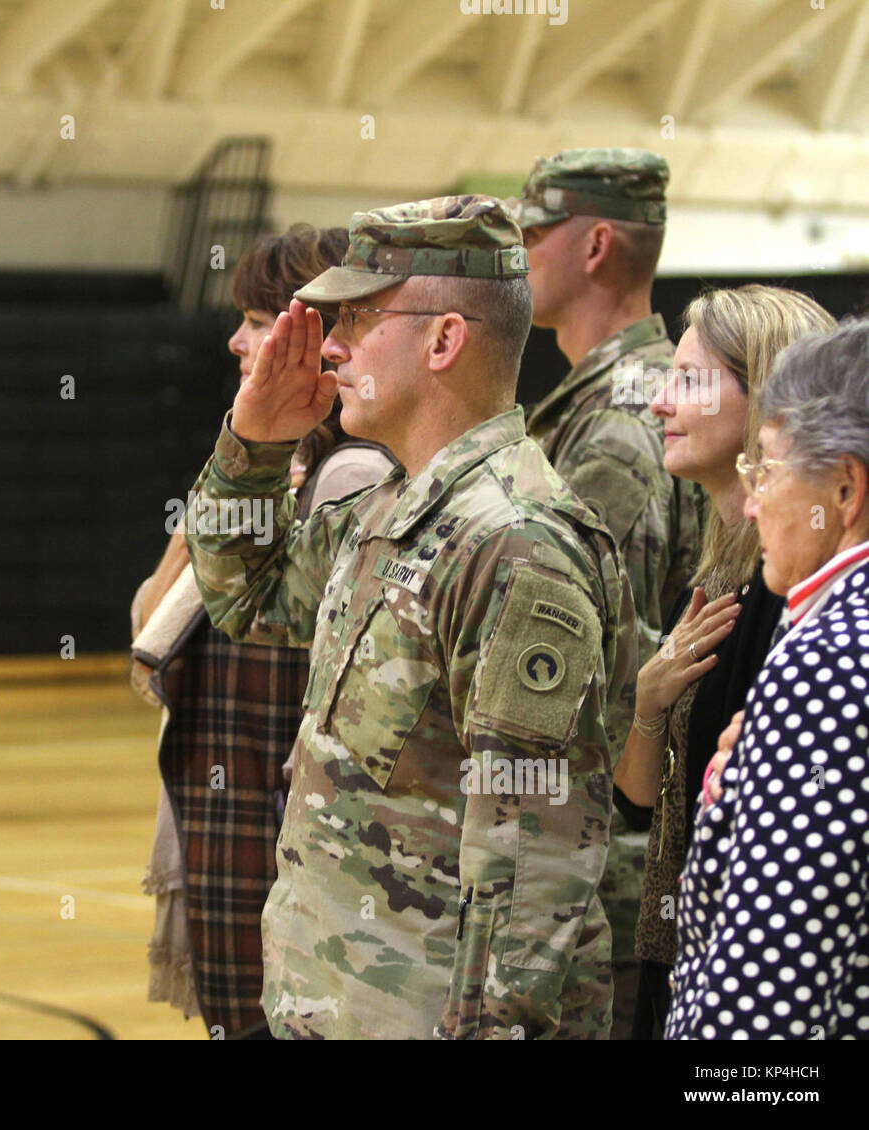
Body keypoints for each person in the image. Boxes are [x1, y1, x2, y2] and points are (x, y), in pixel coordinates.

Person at [184, 195, 639, 1039]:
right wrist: (254, 442)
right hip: (339, 1001)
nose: (331, 345)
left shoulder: (516, 542)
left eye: (360, 316)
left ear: (444, 340)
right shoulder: (394, 507)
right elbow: (242, 595)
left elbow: (534, 855)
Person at [130, 224, 396, 1039]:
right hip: (234, 820)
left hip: (280, 840)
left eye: (256, 318)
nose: (236, 339)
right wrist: (241, 452)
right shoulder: (265, 470)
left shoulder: (350, 475)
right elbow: (150, 622)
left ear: (310, 337)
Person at [509, 147, 705, 1037]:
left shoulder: (619, 428)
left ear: (594, 247)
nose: (518, 254)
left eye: (534, 233)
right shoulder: (620, 400)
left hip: (599, 870)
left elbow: (602, 682)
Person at [612, 285, 835, 1038]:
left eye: (690, 379)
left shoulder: (804, 600)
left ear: (767, 396)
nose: (659, 404)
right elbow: (638, 802)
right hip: (679, 962)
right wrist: (646, 702)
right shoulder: (707, 583)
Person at [666, 319, 869, 1039]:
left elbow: (764, 1001)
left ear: (845, 490)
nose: (752, 504)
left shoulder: (830, 658)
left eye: (768, 471)